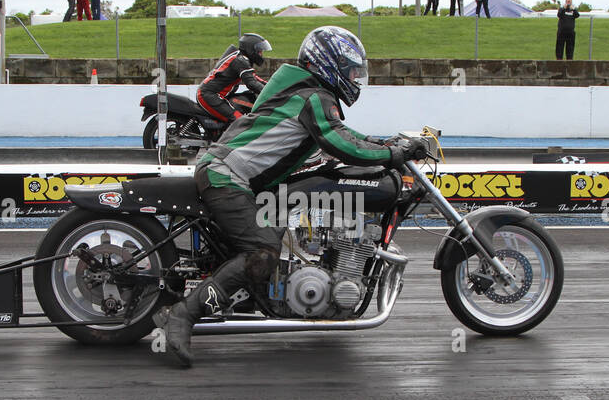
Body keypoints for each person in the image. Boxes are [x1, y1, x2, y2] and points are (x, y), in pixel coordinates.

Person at [161, 26, 425, 367]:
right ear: (328, 64)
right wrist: (391, 155)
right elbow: (339, 142)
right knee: (263, 251)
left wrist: (387, 144)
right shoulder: (313, 97)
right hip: (226, 176)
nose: (355, 78)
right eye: (350, 71)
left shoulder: (309, 93)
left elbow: (346, 134)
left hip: (232, 175)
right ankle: (182, 315)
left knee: (278, 231)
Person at [196, 33, 271, 123]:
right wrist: (269, 94)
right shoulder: (240, 60)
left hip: (215, 95)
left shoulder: (240, 59)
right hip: (210, 95)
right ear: (250, 48)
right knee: (239, 121)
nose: (261, 54)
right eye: (259, 51)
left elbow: (255, 78)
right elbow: (251, 83)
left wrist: (273, 87)